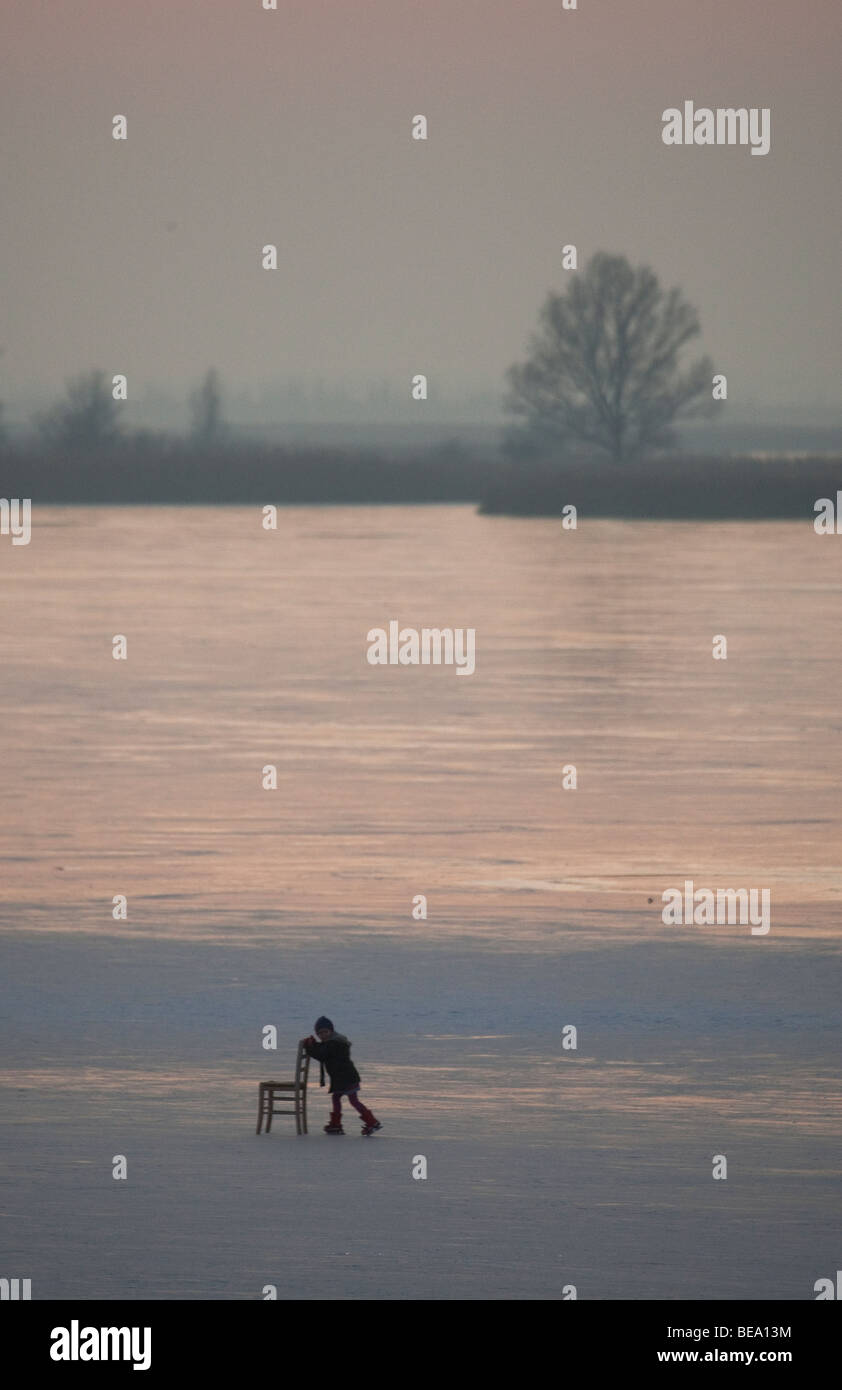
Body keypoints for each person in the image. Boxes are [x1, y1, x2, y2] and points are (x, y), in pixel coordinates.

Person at [300, 1016, 382, 1136]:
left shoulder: (336, 1043)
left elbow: (322, 1054)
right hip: (341, 1078)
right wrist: (313, 1045)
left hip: (347, 1078)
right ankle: (336, 1124)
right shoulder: (331, 1042)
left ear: (331, 1031)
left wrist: (309, 1047)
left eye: (325, 1032)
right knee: (337, 1098)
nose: (323, 1035)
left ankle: (372, 1122)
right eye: (320, 1033)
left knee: (353, 1100)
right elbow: (323, 1049)